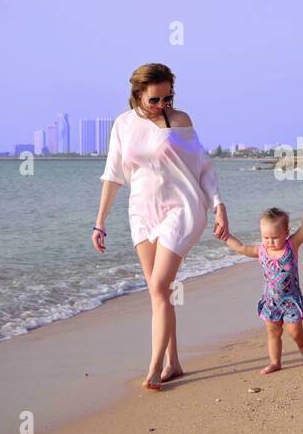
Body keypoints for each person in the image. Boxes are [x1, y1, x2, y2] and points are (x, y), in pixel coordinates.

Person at [92, 63, 230, 391]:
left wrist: (218, 205)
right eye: (154, 100)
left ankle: (154, 368)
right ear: (138, 95)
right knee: (160, 293)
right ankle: (174, 362)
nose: (162, 106)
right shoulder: (123, 125)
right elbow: (112, 176)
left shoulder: (180, 121)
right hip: (141, 212)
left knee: (157, 287)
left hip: (182, 209)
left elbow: (204, 168)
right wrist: (99, 223)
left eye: (168, 98)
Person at [222, 203, 303, 374]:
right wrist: (226, 236)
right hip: (270, 301)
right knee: (273, 331)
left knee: (295, 331)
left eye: (274, 237)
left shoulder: (291, 246)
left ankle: (301, 344)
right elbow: (242, 248)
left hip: (290, 301)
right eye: (266, 237)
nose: (270, 242)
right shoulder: (261, 251)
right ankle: (275, 362)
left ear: (286, 233)